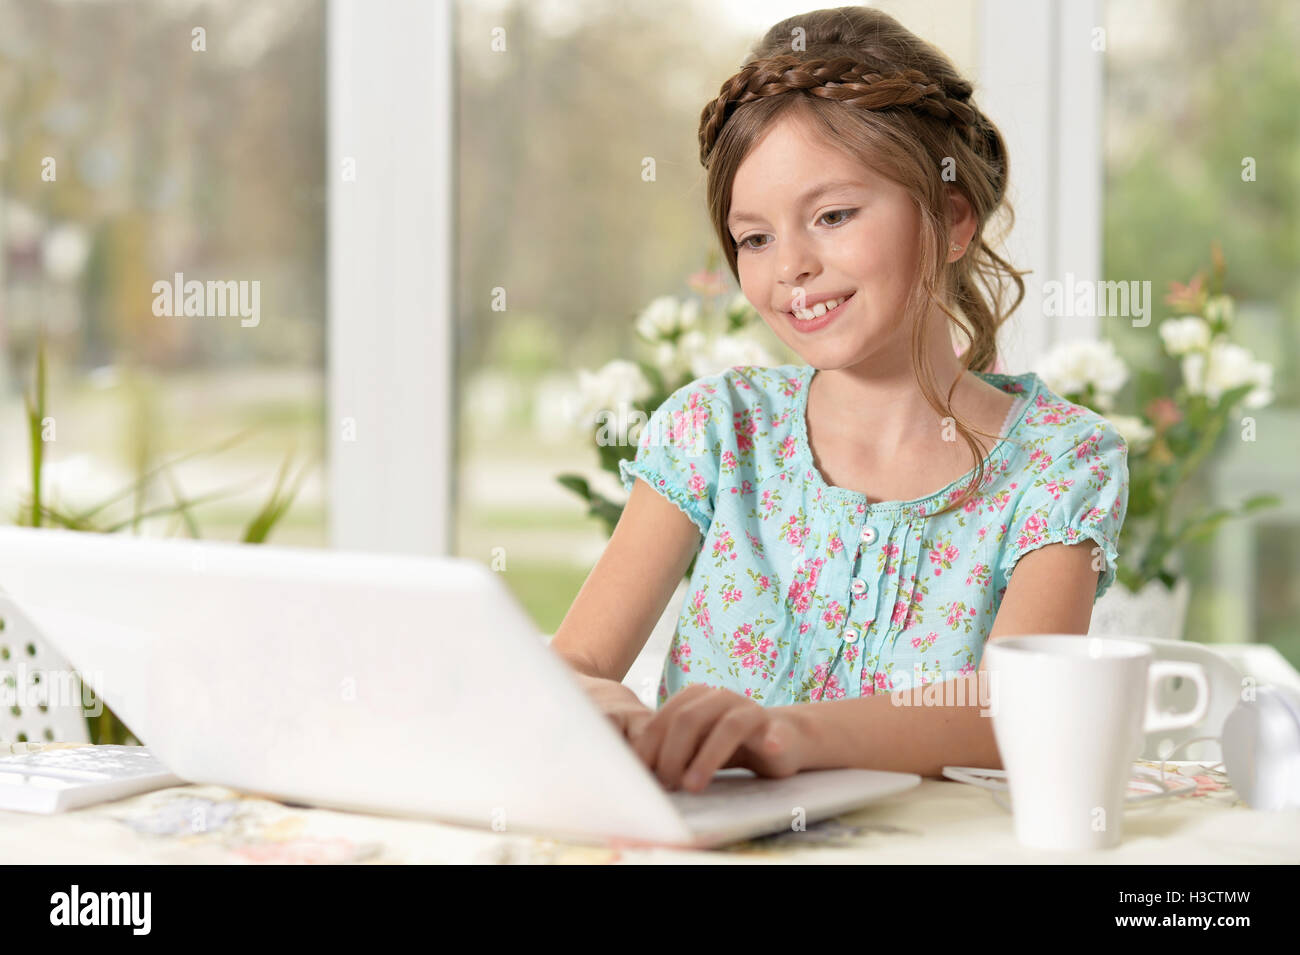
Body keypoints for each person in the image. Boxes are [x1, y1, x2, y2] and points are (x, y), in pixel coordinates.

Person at [551, 5, 1129, 793]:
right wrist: (594, 704)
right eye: (754, 237)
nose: (790, 265)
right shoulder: (717, 431)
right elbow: (575, 662)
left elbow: (1015, 708)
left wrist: (783, 732)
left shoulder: (1059, 462)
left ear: (951, 219)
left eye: (832, 216)